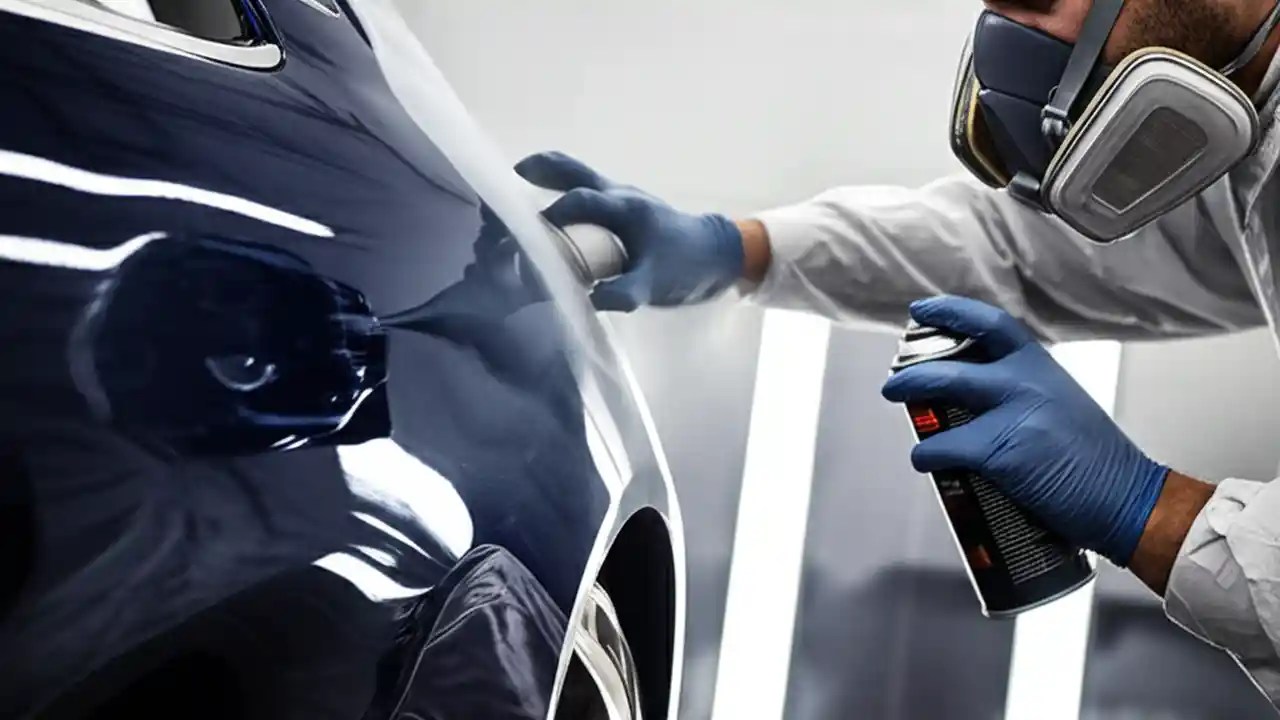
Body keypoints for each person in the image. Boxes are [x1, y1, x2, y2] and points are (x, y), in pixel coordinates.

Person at [515, 0, 1280, 708]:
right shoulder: (1254, 137)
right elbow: (1013, 251)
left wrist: (1149, 508)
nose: (1017, 43)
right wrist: (738, 249)